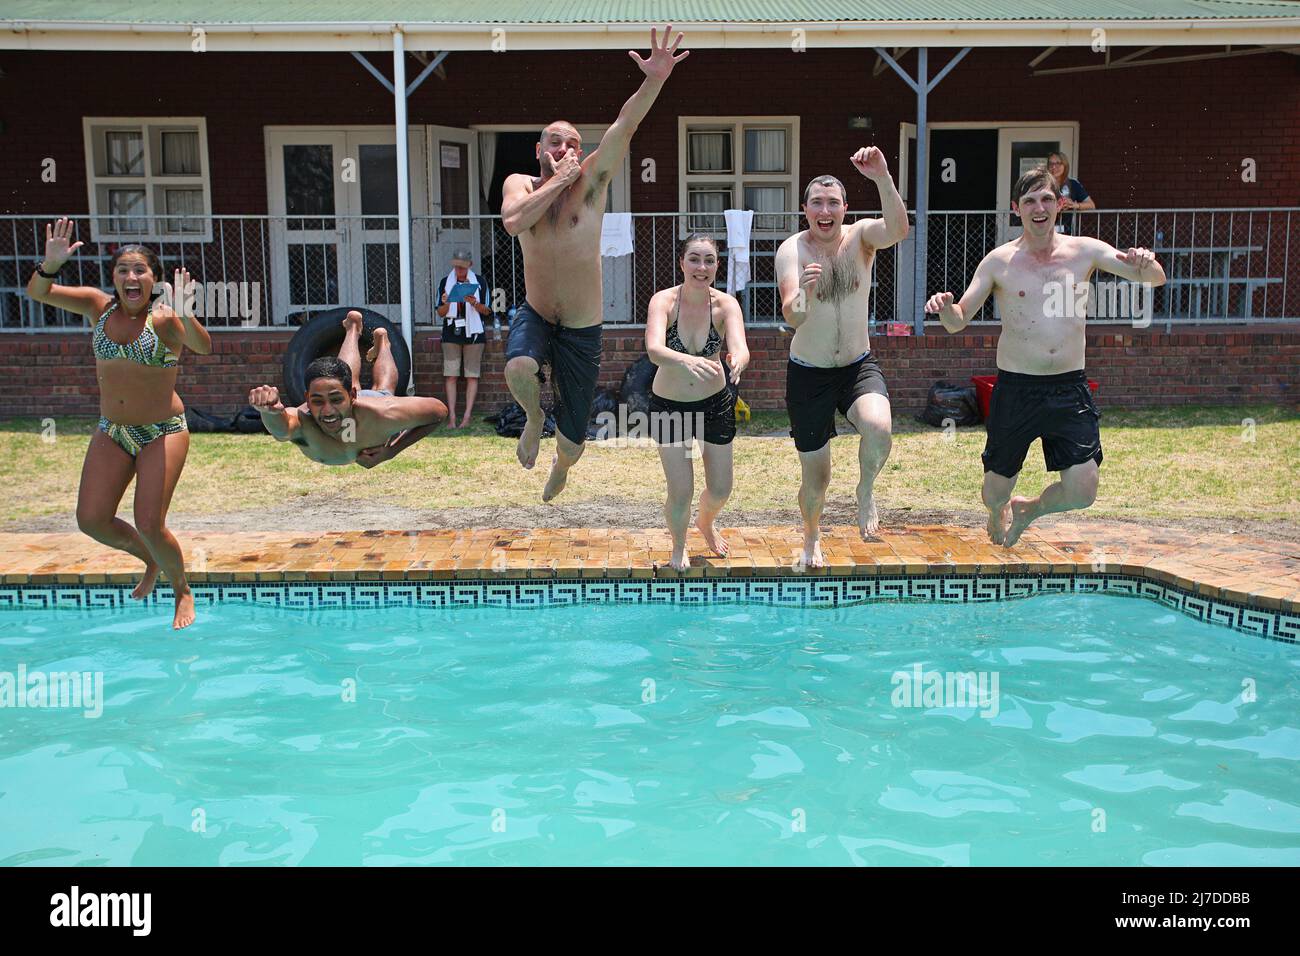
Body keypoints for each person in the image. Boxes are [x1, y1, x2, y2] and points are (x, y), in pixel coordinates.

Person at [925, 166, 1165, 547]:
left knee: (1083, 490)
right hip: (1017, 388)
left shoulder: (1085, 251)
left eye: (1047, 199)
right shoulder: (998, 262)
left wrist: (1144, 261)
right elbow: (958, 322)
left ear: (1061, 204)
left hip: (1069, 387)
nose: (1039, 208)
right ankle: (997, 510)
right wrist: (945, 309)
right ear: (1016, 209)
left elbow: (1154, 278)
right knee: (993, 491)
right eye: (1030, 201)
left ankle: (1030, 509)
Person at [501, 24, 688, 501]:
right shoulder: (521, 184)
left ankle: (561, 462)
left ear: (579, 152)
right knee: (519, 367)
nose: (561, 149)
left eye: (569, 144)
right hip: (538, 312)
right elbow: (512, 223)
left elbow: (625, 126)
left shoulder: (592, 181)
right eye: (552, 142)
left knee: (574, 443)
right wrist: (555, 183)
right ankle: (533, 417)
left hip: (583, 326)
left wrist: (656, 80)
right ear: (538, 150)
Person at [26, 218, 212, 629]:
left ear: (155, 280)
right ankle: (150, 558)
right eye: (123, 269)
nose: (131, 276)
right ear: (113, 277)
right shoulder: (97, 306)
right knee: (91, 519)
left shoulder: (164, 320)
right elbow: (38, 292)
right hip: (112, 430)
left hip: (162, 431)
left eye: (140, 270)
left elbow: (203, 345)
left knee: (149, 521)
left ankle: (182, 589)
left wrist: (186, 312)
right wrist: (50, 264)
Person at [774, 148, 909, 568]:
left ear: (845, 209)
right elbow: (791, 315)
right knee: (816, 480)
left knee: (879, 428)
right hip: (809, 375)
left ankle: (866, 488)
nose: (825, 210)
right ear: (805, 210)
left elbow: (900, 229)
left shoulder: (862, 238)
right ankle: (812, 537)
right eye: (817, 202)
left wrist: (883, 177)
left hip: (856, 365)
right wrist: (806, 295)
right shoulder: (792, 251)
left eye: (833, 203)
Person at [645, 234, 749, 570]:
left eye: (708, 260)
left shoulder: (725, 305)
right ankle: (678, 548)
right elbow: (654, 349)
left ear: (718, 265)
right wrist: (686, 361)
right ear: (682, 262)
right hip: (668, 406)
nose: (701, 267)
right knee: (681, 491)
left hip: (714, 404)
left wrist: (738, 359)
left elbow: (739, 345)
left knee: (720, 490)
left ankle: (706, 522)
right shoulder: (664, 302)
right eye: (694, 259)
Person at [249, 311, 447, 466]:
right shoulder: (303, 420)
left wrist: (391, 451)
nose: (327, 411)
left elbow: (438, 411)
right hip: (349, 398)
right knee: (341, 379)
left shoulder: (383, 411)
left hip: (370, 401)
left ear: (353, 396)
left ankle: (383, 342)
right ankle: (353, 328)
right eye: (317, 401)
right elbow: (282, 429)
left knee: (384, 388)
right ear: (307, 398)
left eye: (335, 400)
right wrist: (269, 411)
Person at [436, 248, 490, 429]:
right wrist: (447, 302)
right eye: (457, 267)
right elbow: (441, 313)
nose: (459, 271)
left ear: (470, 266)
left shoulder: (480, 282)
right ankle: (451, 418)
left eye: (462, 267)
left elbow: (487, 311)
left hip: (474, 332)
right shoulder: (446, 282)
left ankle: (466, 418)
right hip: (452, 331)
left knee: (471, 376)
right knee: (451, 375)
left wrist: (474, 302)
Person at [1047, 150, 1094, 234]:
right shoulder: (1042, 184)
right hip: (1043, 232)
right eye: (1051, 164)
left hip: (1066, 233)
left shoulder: (1073, 184)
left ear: (1065, 165)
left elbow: (1091, 205)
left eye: (1058, 163)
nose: (1054, 167)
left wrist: (1074, 205)